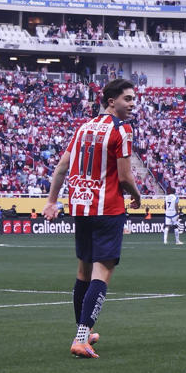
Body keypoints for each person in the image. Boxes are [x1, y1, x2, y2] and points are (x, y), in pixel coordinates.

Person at [42, 78, 141, 358]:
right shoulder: (122, 130)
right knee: (102, 272)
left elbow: (62, 167)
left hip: (81, 208)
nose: (133, 104)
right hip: (108, 209)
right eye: (128, 99)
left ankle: (82, 332)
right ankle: (81, 337)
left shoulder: (83, 128)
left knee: (83, 271)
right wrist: (137, 196)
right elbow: (124, 177)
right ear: (112, 101)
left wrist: (52, 201)